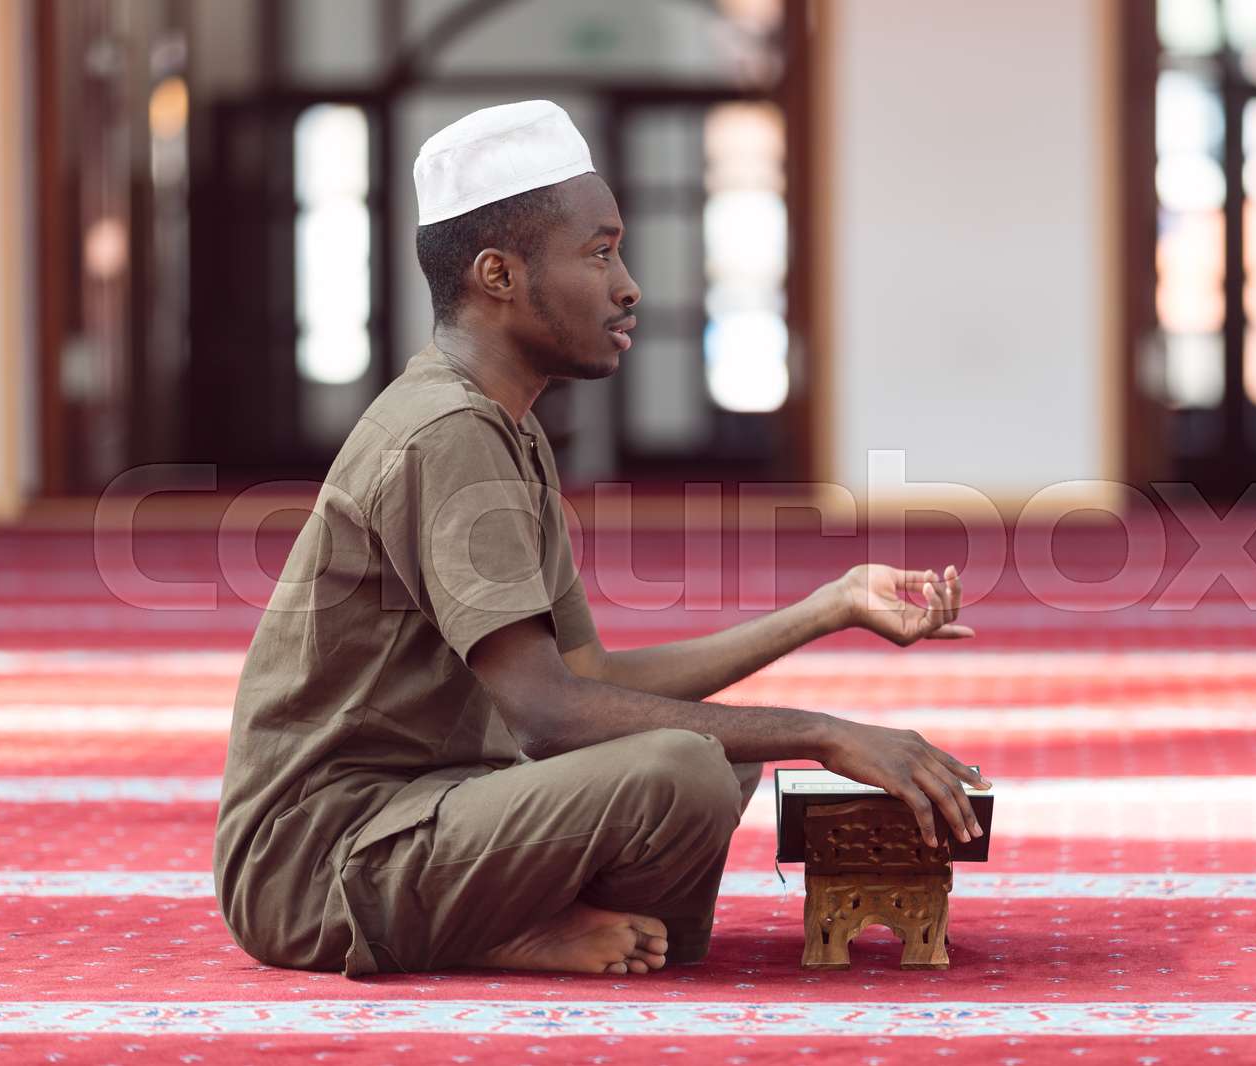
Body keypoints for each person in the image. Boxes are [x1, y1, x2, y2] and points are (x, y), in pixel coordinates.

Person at [213, 100, 989, 979]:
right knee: (686, 765)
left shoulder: (505, 424)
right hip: (319, 866)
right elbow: (547, 717)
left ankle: (522, 921)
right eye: (598, 251)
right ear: (498, 276)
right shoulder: (447, 433)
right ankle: (493, 931)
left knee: (709, 753)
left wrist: (828, 606)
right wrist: (821, 732)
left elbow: (591, 681)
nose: (628, 285)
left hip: (429, 814)